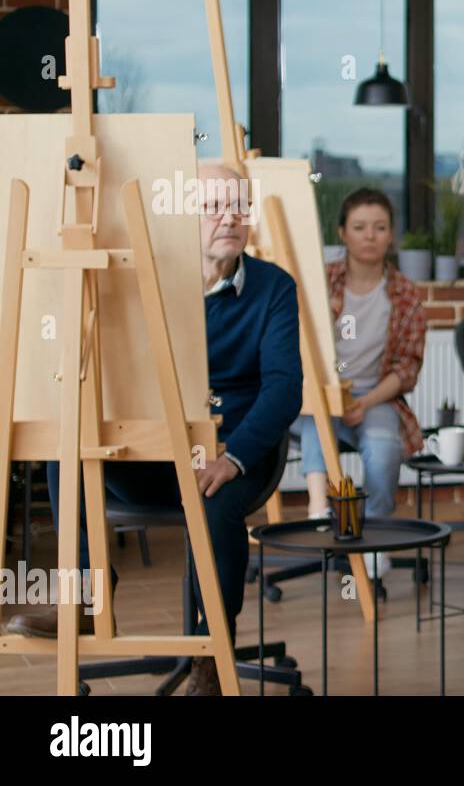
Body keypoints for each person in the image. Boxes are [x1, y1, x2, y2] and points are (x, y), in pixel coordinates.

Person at [2, 163, 304, 695]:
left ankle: (212, 653)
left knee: (212, 502)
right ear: (186, 215)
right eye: (213, 206)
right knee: (64, 445)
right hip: (155, 452)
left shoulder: (274, 288)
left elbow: (283, 389)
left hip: (232, 454)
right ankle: (86, 598)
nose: (229, 218)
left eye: (238, 206)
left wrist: (232, 458)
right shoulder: (152, 282)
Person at [295, 188, 426, 584]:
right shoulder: (319, 281)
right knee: (317, 418)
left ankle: (377, 535)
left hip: (375, 396)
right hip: (321, 394)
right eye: (359, 227)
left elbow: (407, 368)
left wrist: (364, 402)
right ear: (343, 234)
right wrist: (326, 322)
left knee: (385, 448)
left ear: (391, 236)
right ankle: (320, 511)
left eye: (380, 227)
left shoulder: (405, 294)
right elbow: (296, 344)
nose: (370, 236)